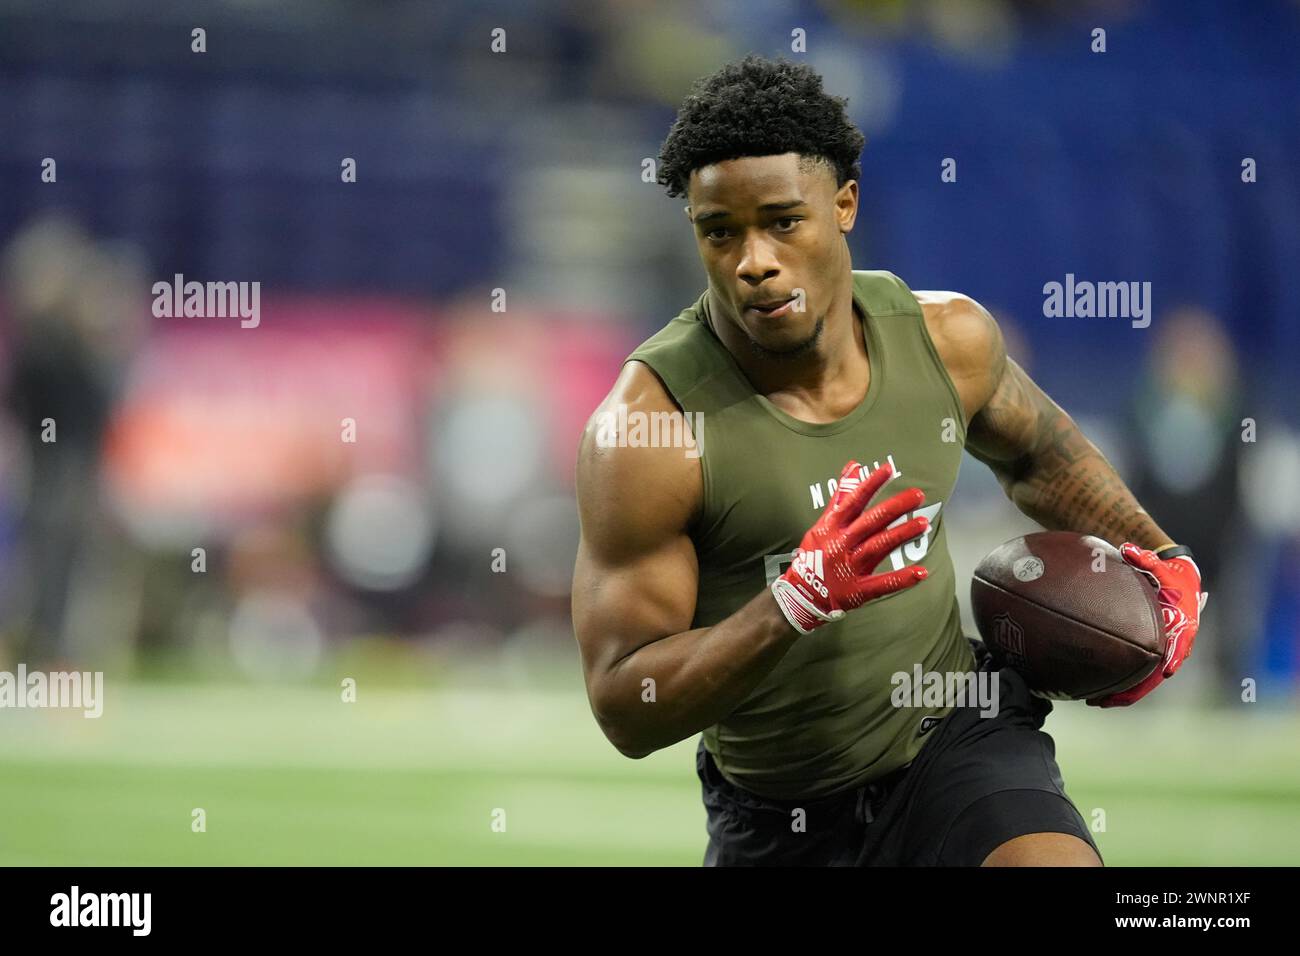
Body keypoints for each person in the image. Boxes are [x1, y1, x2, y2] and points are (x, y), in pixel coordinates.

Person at [571, 56, 1205, 866]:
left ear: (844, 204)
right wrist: (795, 600)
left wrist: (1166, 558)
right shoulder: (648, 429)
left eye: (782, 221)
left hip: (954, 740)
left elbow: (1040, 453)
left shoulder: (947, 340)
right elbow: (628, 706)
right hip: (777, 809)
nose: (752, 261)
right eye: (719, 232)